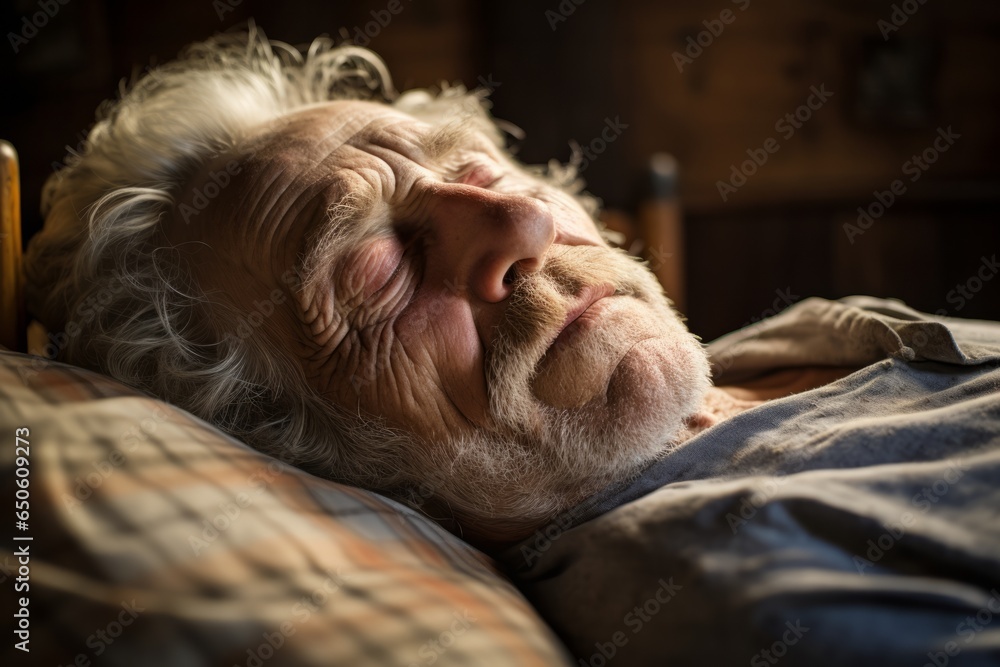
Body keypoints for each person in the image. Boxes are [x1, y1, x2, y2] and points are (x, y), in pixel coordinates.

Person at [25, 28, 1000, 665]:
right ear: (295, 442)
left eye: (481, 171)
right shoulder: (737, 588)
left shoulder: (817, 331)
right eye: (379, 269)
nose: (521, 222)